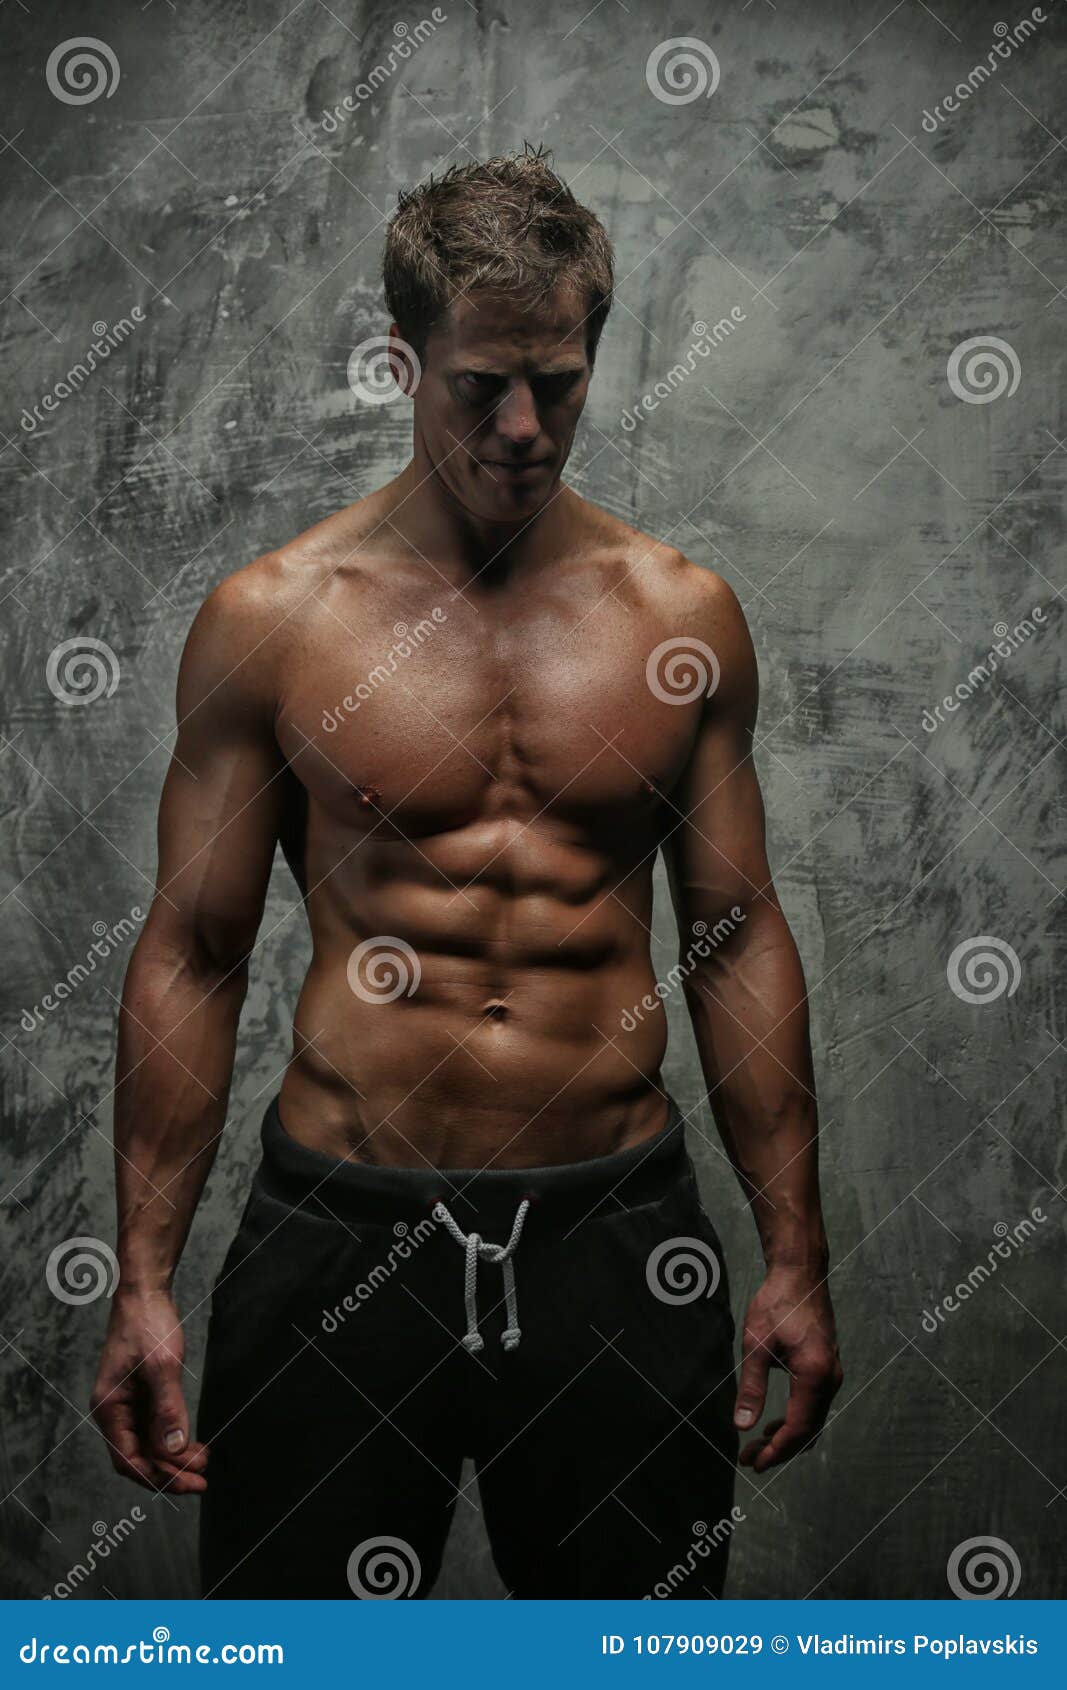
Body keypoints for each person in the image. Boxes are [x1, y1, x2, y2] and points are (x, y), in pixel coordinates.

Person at [90, 144, 842, 1599]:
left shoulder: (679, 615)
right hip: (337, 1236)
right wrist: (141, 1278)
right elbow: (194, 949)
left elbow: (737, 939)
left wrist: (796, 1256)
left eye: (555, 385)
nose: (519, 427)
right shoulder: (277, 618)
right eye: (477, 384)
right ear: (401, 364)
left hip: (615, 1238)